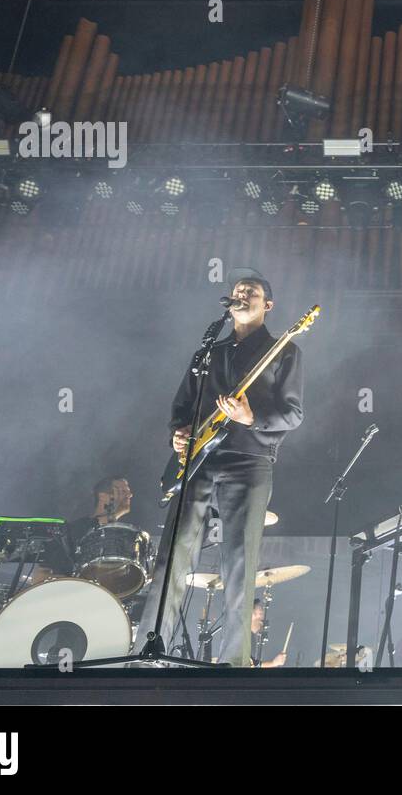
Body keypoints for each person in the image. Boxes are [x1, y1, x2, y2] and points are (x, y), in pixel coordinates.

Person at [137, 270, 304, 667]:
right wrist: (178, 434)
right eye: (238, 290)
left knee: (239, 562)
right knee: (173, 555)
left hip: (250, 460)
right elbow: (183, 404)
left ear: (268, 305)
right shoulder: (209, 349)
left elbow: (293, 414)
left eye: (253, 291)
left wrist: (251, 416)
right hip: (199, 460)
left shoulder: (284, 350)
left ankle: (234, 663)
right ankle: (149, 651)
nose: (243, 293)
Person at [249, 600, 287, 668]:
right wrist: (273, 663)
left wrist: (274, 663)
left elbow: (253, 665)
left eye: (262, 611)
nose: (262, 614)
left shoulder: (252, 639)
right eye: (259, 612)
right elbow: (250, 665)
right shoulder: (242, 637)